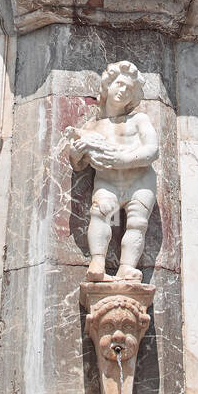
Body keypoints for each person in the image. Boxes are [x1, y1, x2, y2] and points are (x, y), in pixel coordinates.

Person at [63, 61, 158, 282]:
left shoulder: (139, 120)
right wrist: (77, 153)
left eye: (129, 89)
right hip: (108, 182)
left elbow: (152, 150)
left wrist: (122, 159)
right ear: (107, 86)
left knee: (137, 222)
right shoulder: (92, 127)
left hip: (140, 181)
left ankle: (127, 267)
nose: (123, 91)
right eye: (119, 85)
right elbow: (79, 166)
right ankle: (97, 262)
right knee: (100, 213)